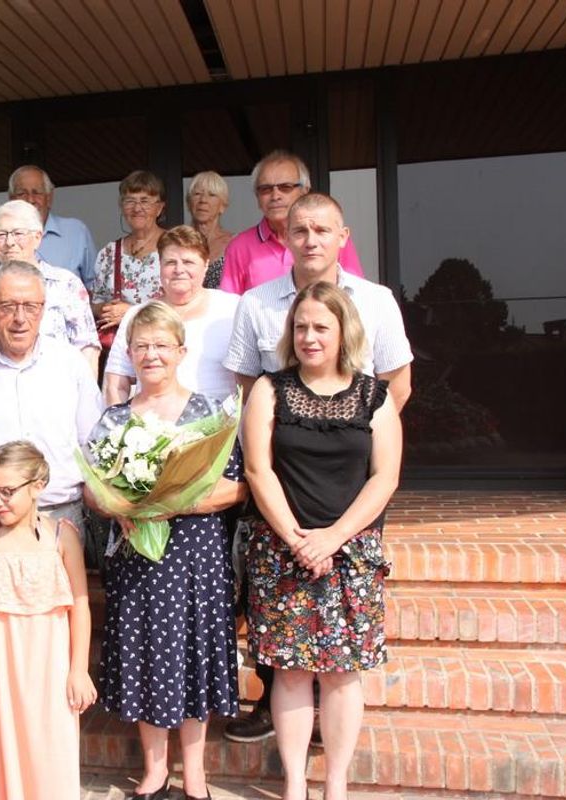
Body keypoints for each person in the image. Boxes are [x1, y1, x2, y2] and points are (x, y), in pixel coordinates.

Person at [222, 192, 412, 744]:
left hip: (348, 496)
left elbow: (397, 381)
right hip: (281, 495)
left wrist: (357, 435)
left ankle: (330, 738)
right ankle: (276, 716)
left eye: (321, 230)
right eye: (299, 230)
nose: (309, 239)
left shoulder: (376, 301)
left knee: (341, 658)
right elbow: (242, 386)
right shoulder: (256, 303)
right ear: (285, 237)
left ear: (342, 237)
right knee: (282, 647)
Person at [240, 281, 401, 800]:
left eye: (320, 327)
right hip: (281, 551)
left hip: (351, 554)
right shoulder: (269, 389)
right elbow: (258, 469)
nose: (309, 337)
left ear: (343, 331)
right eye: (301, 327)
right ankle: (293, 784)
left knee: (341, 674)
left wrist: (331, 537)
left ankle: (336, 784)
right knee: (288, 672)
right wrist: (296, 537)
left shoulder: (374, 396)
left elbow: (385, 478)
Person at [86, 300, 247, 800]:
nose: (151, 354)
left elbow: (237, 488)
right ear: (129, 354)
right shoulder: (114, 418)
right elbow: (92, 489)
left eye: (161, 345)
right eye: (141, 346)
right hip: (138, 556)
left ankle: (195, 776)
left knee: (192, 658)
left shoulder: (209, 413)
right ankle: (155, 771)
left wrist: (171, 503)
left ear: (181, 351)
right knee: (145, 658)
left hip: (195, 558)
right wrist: (122, 506)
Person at [0, 441, 97, 800]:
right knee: (0, 746)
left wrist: (78, 669)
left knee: (48, 745)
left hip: (49, 668)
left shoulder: (62, 535)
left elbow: (80, 607)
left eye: (7, 492)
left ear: (38, 485)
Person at [0, 260, 104, 535]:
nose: (20, 318)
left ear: (43, 309)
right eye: (8, 306)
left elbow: (92, 442)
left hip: (61, 516)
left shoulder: (70, 363)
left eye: (30, 306)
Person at [0, 199, 101, 376]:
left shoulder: (65, 284)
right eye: (1, 234)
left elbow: (87, 349)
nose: (9, 242)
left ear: (38, 238)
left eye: (18, 233)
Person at [104, 226, 239, 406]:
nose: (179, 270)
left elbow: (249, 377)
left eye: (188, 262)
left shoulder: (232, 308)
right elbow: (115, 385)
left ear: (206, 264)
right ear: (159, 265)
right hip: (152, 428)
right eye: (170, 262)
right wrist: (121, 426)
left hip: (220, 427)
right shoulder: (136, 315)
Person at [219, 151, 364, 295]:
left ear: (304, 191)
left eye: (285, 187)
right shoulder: (239, 247)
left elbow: (355, 295)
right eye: (266, 189)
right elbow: (228, 308)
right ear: (257, 197)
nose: (275, 196)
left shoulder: (330, 238)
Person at [91, 170, 166, 344]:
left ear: (160, 208)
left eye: (145, 201)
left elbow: (184, 302)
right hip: (120, 348)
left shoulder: (175, 247)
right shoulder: (109, 253)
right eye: (130, 201)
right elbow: (95, 303)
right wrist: (104, 309)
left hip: (162, 342)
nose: (137, 208)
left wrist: (131, 311)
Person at [8, 164, 96, 287]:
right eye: (22, 193)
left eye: (37, 192)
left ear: (49, 198)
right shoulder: (4, 238)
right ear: (11, 200)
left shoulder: (76, 232)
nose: (30, 200)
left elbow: (94, 286)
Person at [185, 171, 234, 289]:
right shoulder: (178, 241)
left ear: (222, 206)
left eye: (212, 195)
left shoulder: (234, 244)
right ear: (188, 203)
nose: (203, 200)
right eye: (197, 194)